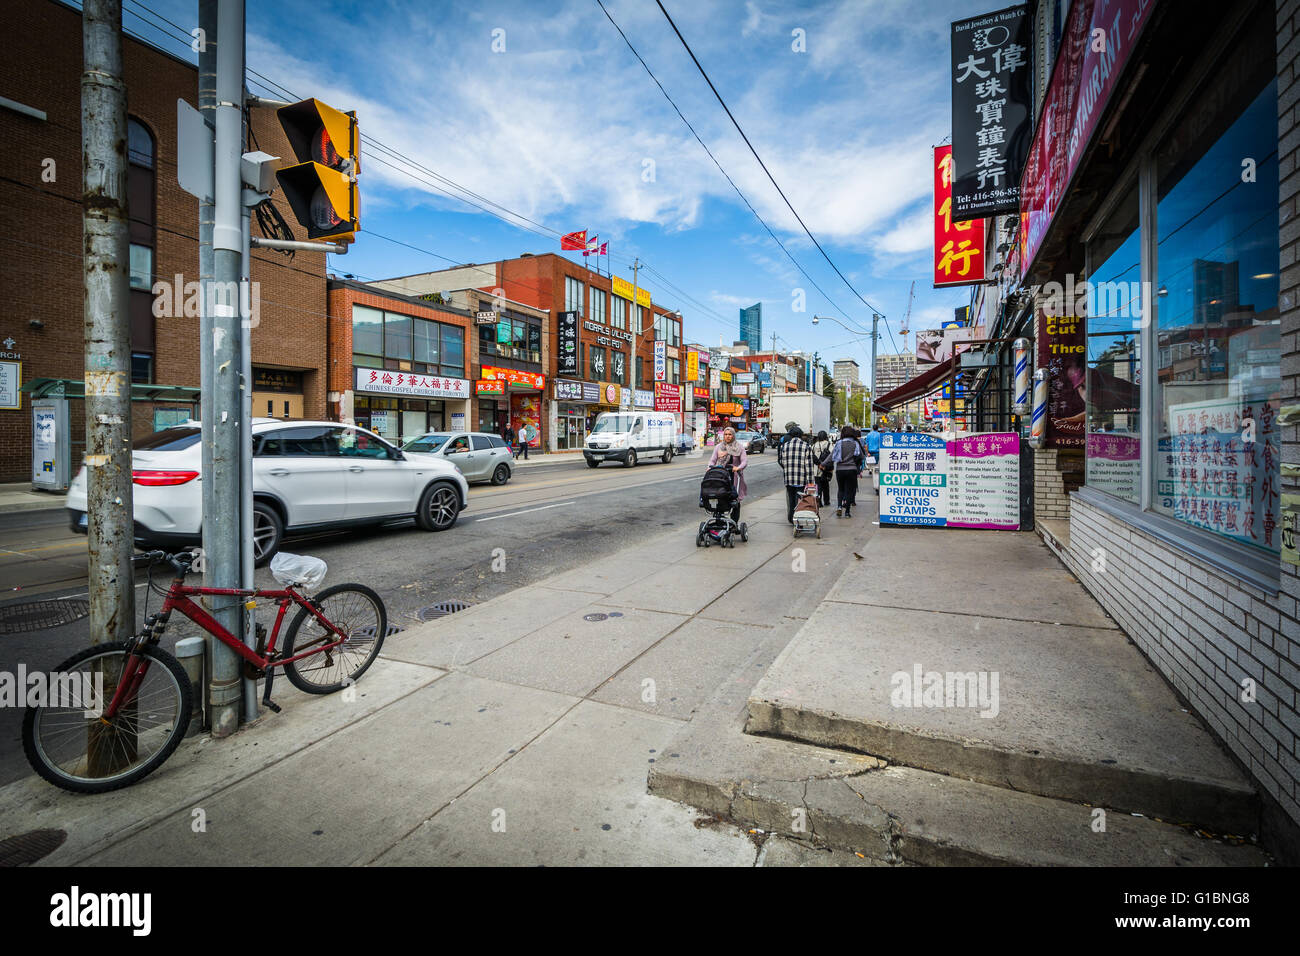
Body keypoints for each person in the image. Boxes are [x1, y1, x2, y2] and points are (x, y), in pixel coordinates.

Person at [708, 426, 748, 522]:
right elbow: (712, 460)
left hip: (734, 476)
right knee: (720, 497)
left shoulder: (739, 447)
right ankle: (719, 520)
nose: (727, 436)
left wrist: (738, 467)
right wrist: (709, 468)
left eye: (730, 434)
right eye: (726, 434)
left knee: (734, 501)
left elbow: (744, 461)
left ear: (733, 435)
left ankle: (734, 522)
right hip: (720, 476)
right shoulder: (719, 447)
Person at [777, 424, 815, 524]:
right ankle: (797, 518)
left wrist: (788, 469)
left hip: (789, 478)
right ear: (801, 435)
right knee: (800, 499)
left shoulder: (785, 446)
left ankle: (791, 517)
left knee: (791, 499)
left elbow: (782, 460)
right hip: (801, 478)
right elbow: (809, 465)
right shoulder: (806, 446)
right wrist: (811, 482)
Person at [832, 426, 865, 518]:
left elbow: (832, 456)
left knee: (841, 489)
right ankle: (847, 512)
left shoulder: (838, 443)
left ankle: (839, 506)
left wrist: (822, 464)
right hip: (852, 470)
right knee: (849, 491)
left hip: (840, 470)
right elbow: (862, 456)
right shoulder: (855, 444)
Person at [810, 429, 833, 507]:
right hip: (825, 469)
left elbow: (811, 457)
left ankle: (819, 502)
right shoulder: (829, 444)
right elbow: (832, 455)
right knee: (826, 486)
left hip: (816, 469)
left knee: (818, 486)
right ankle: (826, 501)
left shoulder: (814, 445)